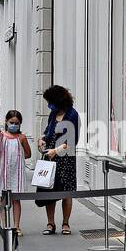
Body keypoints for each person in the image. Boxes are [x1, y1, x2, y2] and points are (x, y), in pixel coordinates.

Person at [36, 85, 81, 236]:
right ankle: (50, 223)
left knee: (66, 191)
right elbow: (47, 131)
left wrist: (57, 150)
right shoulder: (53, 114)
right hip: (50, 157)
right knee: (49, 191)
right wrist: (41, 139)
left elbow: (73, 140)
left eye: (50, 101)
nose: (49, 104)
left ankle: (65, 223)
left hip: (66, 158)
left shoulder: (72, 115)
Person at [0, 110, 31, 236]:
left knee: (16, 200)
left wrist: (17, 158)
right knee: (2, 201)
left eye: (17, 123)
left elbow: (28, 154)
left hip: (17, 173)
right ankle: (4, 226)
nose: (14, 125)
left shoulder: (22, 137)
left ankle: (16, 227)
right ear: (6, 122)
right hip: (2, 173)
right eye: (12, 122)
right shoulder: (0, 136)